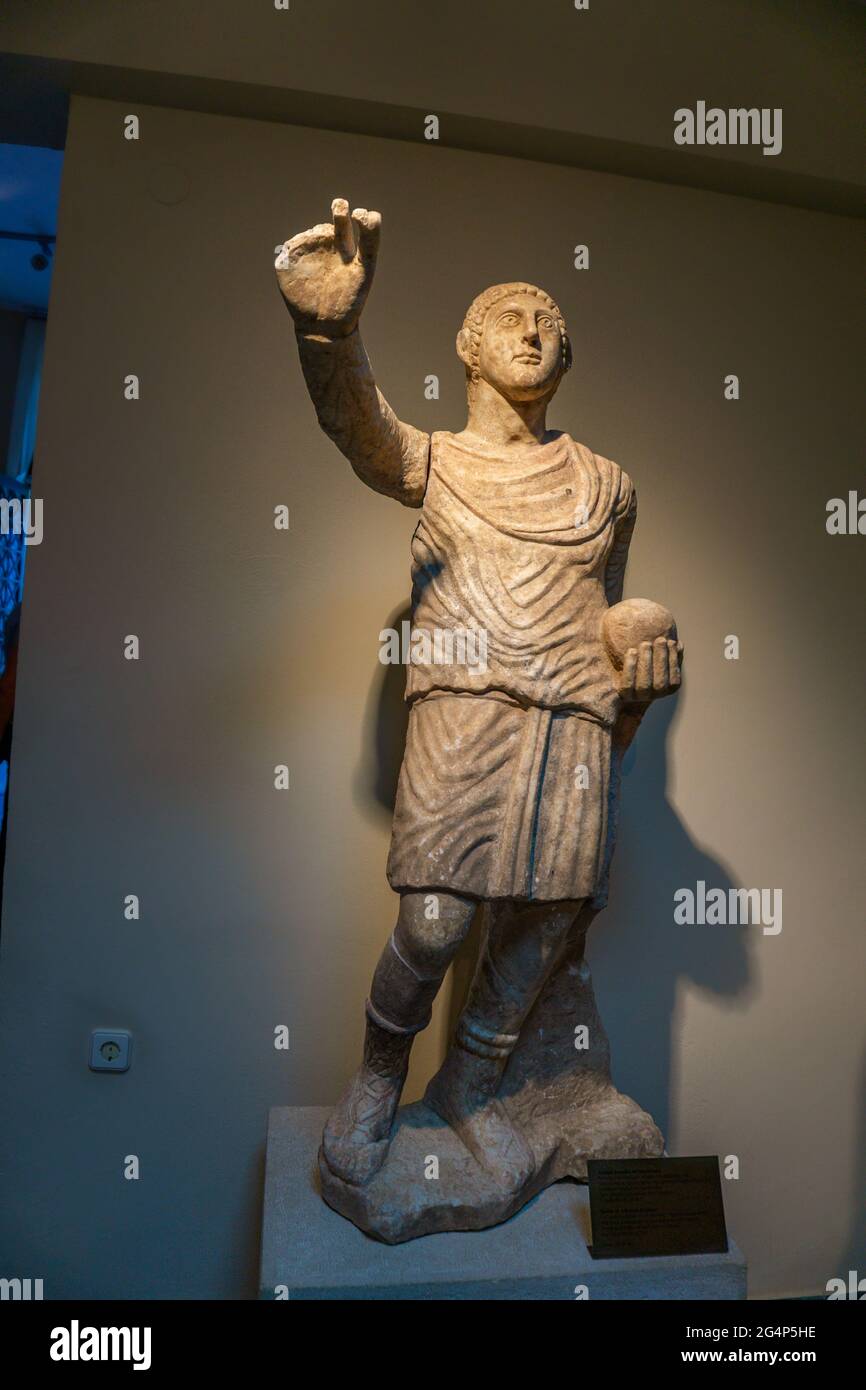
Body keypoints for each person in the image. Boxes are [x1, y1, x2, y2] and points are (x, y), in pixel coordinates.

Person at [276, 199, 682, 1192]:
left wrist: (647, 632)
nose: (534, 332)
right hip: (463, 700)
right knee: (434, 923)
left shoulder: (605, 484)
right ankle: (379, 1078)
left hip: (572, 715)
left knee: (550, 913)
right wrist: (327, 329)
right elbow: (356, 425)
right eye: (511, 316)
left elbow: (610, 606)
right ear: (465, 346)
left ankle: (471, 1080)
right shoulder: (437, 460)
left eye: (549, 323)